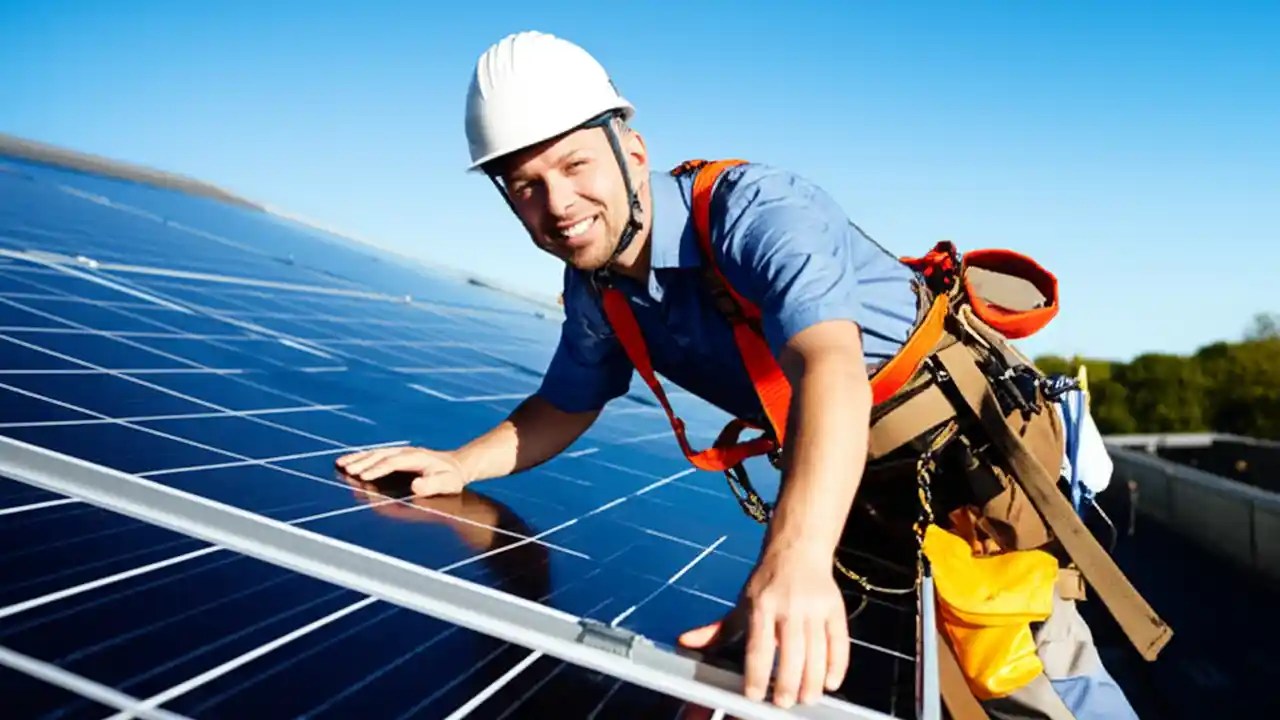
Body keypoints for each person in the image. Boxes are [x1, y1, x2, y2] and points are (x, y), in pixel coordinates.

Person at [338, 30, 1153, 716]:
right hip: (854, 490)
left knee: (1022, 679)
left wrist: (795, 558)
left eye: (575, 165)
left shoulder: (757, 211)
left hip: (969, 470)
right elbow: (565, 401)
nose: (557, 204)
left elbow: (827, 364)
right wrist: (459, 465)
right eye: (525, 186)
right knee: (792, 674)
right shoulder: (598, 288)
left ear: (632, 152)